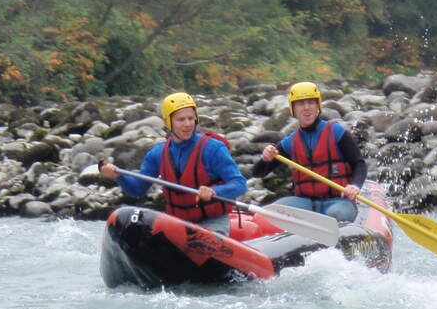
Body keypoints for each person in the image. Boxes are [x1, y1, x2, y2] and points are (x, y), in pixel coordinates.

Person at [99, 92, 247, 235]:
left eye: (191, 118)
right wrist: (118, 176)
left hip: (213, 222)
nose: (188, 124)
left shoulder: (213, 148)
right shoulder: (158, 153)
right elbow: (137, 189)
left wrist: (215, 192)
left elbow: (240, 184)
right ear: (168, 122)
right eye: (181, 120)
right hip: (177, 223)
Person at [250, 81, 366, 223]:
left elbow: (359, 163)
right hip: (305, 203)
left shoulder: (337, 132)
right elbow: (257, 173)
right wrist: (265, 159)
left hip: (338, 201)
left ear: (318, 106)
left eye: (311, 102)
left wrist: (355, 185)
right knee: (269, 213)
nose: (306, 108)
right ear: (293, 108)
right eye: (301, 103)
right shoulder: (290, 142)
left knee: (337, 215)